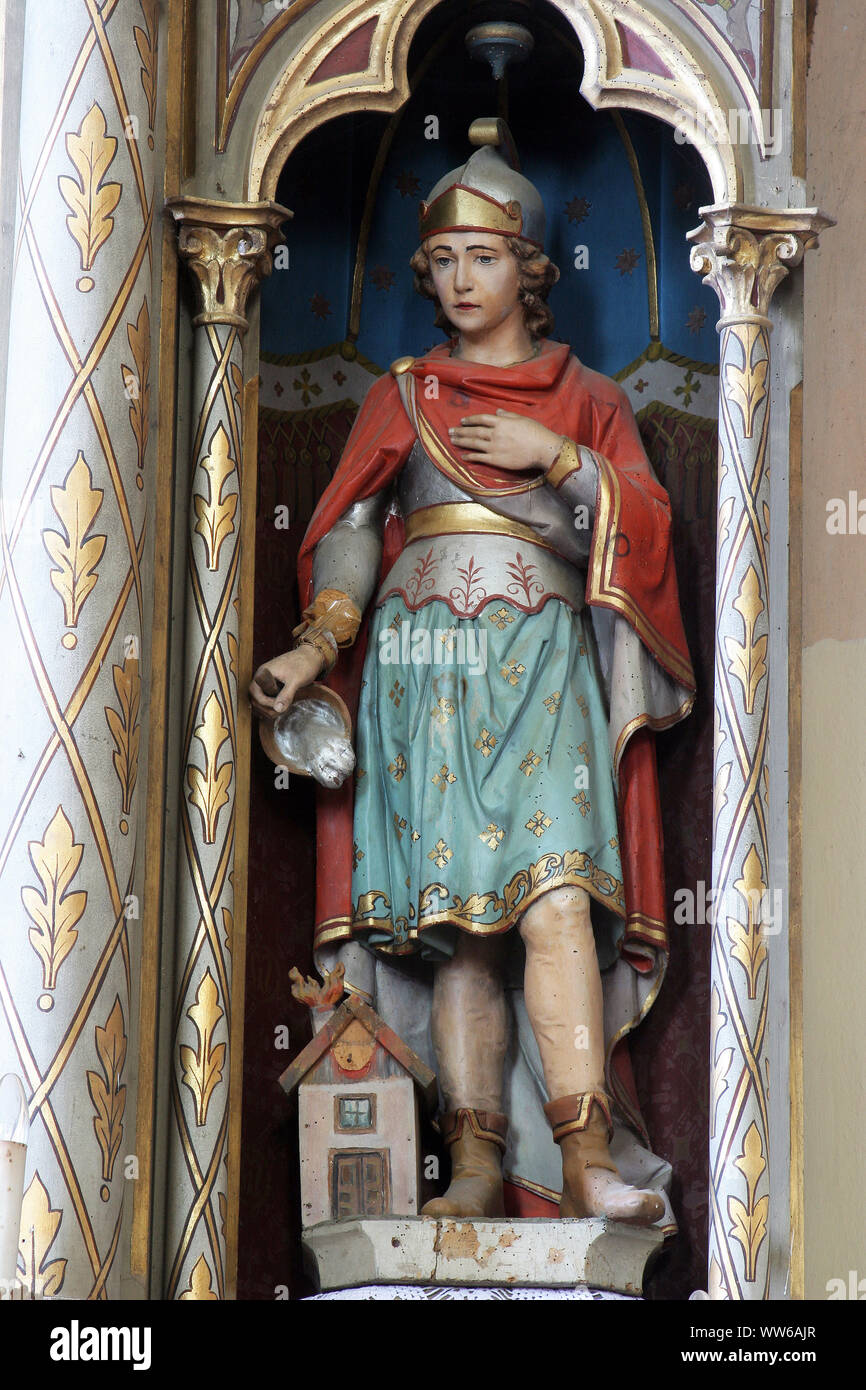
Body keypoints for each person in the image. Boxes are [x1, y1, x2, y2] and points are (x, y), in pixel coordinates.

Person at [249, 120, 695, 1226]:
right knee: (459, 927)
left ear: (529, 270)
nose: (457, 279)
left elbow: (644, 521)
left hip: (540, 663)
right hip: (424, 670)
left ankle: (587, 1156)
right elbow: (350, 523)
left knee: (552, 906)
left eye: (482, 257)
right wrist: (316, 641)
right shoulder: (400, 395)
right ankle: (479, 1162)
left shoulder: (586, 394)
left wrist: (562, 460)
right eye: (440, 260)